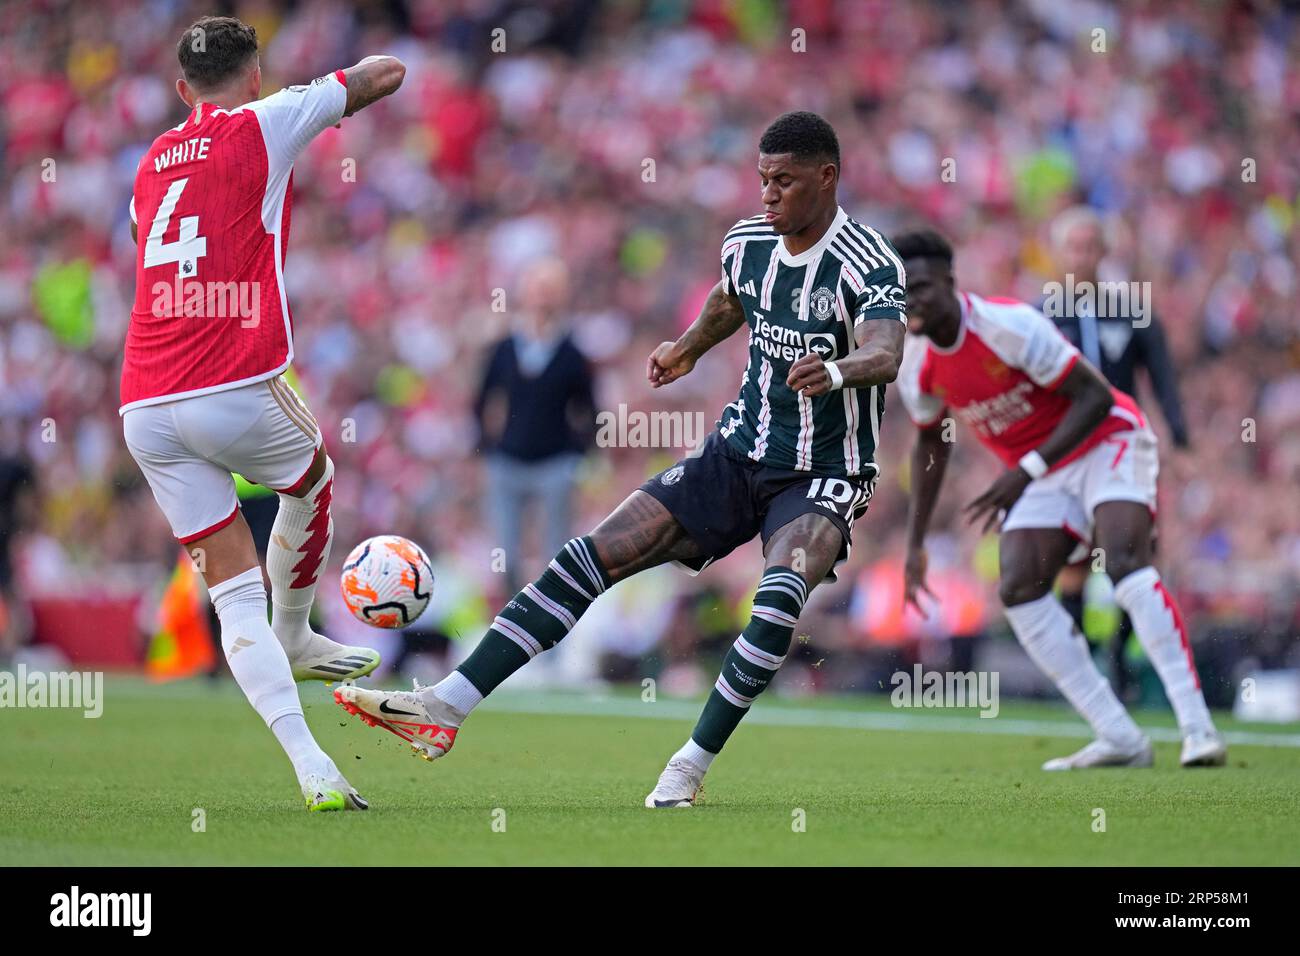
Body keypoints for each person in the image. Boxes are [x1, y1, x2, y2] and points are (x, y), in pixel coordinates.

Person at [337, 110, 908, 806]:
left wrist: (840, 372)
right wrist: (688, 347)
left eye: (783, 182)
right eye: (762, 179)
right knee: (590, 553)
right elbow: (733, 301)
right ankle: (445, 707)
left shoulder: (869, 259)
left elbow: (886, 351)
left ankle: (689, 765)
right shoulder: (748, 241)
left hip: (824, 470)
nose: (767, 194)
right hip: (736, 451)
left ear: (827, 177)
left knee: (779, 596)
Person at [121, 16, 405, 811]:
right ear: (253, 74)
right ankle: (297, 630)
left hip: (145, 401)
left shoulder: (148, 163)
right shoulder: (265, 119)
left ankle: (312, 765)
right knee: (312, 476)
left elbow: (148, 240)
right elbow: (386, 72)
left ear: (181, 91)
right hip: (231, 380)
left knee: (229, 596)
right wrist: (313, 101)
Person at [892, 228, 1225, 769]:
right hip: (1043, 470)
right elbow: (931, 442)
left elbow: (1094, 398)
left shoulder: (1009, 325)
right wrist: (915, 543)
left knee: (1125, 564)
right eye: (899, 291)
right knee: (1019, 586)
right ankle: (1119, 735)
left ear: (950, 283)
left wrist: (1024, 471)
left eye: (921, 288)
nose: (910, 301)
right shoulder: (914, 361)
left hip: (1107, 439)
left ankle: (1198, 727)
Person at [1046, 206, 1191, 696]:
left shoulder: (1130, 310)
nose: (1083, 256)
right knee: (1073, 557)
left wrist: (1181, 436)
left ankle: (1122, 665)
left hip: (1121, 446)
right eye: (1074, 247)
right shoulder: (1041, 314)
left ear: (1104, 252)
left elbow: (1164, 378)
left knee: (1132, 554)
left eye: (1091, 246)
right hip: (1067, 449)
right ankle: (1084, 666)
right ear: (1061, 253)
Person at [474, 256, 595, 598]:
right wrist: (485, 445)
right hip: (509, 460)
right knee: (505, 553)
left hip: (554, 462)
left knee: (555, 554)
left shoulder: (571, 352)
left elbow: (588, 408)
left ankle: (552, 632)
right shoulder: (506, 347)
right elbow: (483, 397)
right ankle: (514, 619)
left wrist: (579, 453)